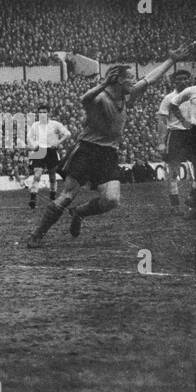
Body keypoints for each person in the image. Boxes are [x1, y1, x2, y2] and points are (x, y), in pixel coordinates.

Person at [25, 41, 195, 248]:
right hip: (86, 150)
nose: (134, 81)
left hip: (108, 154)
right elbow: (83, 99)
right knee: (67, 195)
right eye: (130, 79)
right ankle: (37, 234)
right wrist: (104, 84)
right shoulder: (101, 98)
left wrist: (171, 60)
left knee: (112, 200)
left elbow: (150, 79)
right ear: (117, 81)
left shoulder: (127, 96)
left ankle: (79, 213)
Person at [156, 70, 194, 214]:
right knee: (174, 172)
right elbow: (162, 121)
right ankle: (175, 206)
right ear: (174, 82)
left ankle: (192, 203)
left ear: (189, 80)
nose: (182, 82)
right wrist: (161, 142)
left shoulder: (192, 97)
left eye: (185, 79)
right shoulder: (169, 98)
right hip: (176, 135)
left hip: (191, 134)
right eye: (179, 79)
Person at [24, 104, 71, 208]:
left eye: (44, 112)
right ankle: (33, 198)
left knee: (52, 176)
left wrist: (58, 142)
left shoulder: (55, 124)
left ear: (48, 113)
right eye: (40, 112)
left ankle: (53, 196)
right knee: (37, 175)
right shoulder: (35, 125)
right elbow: (29, 137)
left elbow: (67, 134)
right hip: (40, 151)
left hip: (51, 151)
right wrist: (34, 145)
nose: (42, 114)